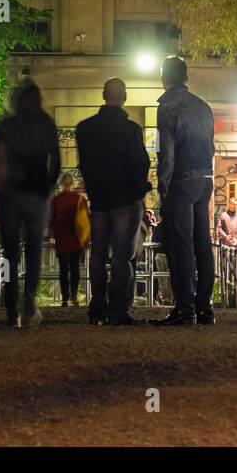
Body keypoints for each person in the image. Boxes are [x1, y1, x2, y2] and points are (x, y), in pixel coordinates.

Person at [76, 77, 152, 326]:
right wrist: (142, 190)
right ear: (124, 97)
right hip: (125, 199)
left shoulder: (85, 129)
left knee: (98, 255)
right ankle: (118, 309)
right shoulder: (131, 130)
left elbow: (84, 165)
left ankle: (97, 307)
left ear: (103, 94)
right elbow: (140, 163)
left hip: (99, 199)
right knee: (122, 257)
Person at [0, 80, 61, 329]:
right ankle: (29, 302)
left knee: (8, 255)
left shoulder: (7, 125)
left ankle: (10, 307)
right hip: (36, 195)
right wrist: (46, 187)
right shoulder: (46, 125)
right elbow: (57, 163)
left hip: (9, 195)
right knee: (33, 255)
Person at [151, 56, 216, 326]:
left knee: (182, 246)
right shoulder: (204, 106)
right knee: (203, 243)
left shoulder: (167, 106)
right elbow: (211, 146)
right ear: (186, 78)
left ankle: (184, 307)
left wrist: (162, 186)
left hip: (181, 180)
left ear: (164, 78)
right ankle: (205, 308)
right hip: (205, 178)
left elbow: (167, 151)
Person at [49, 173, 85, 307]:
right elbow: (84, 222)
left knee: (63, 269)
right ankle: (74, 296)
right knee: (75, 269)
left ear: (61, 183)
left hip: (61, 238)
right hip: (76, 238)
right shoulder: (79, 199)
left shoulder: (57, 200)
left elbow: (52, 220)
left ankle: (65, 298)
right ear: (73, 183)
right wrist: (86, 239)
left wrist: (51, 236)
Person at [217, 196, 237, 298]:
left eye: (236, 204)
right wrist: (226, 237)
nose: (235, 206)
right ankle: (227, 291)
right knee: (226, 267)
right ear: (229, 204)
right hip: (227, 245)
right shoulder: (223, 216)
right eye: (233, 204)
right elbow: (220, 228)